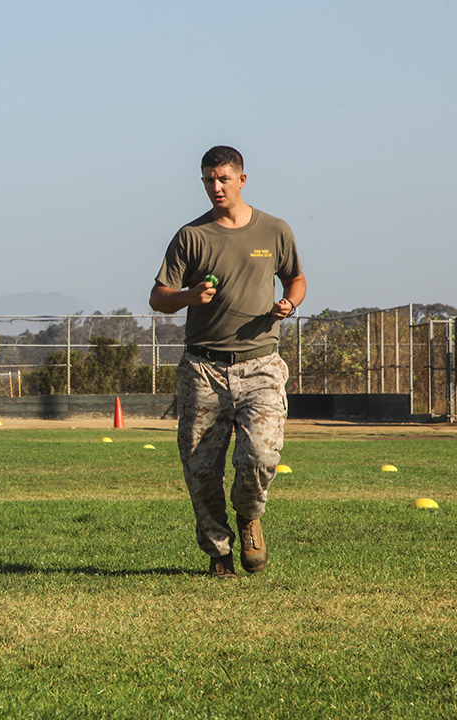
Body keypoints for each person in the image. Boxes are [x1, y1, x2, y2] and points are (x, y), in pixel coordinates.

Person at [148, 146, 307, 580]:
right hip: (203, 370)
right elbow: (158, 296)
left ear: (242, 179)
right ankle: (219, 554)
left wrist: (290, 303)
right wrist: (188, 296)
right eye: (208, 180)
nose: (215, 187)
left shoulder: (274, 230)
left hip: (261, 366)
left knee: (261, 456)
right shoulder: (191, 236)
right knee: (201, 471)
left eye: (222, 179)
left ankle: (249, 515)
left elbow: (295, 277)